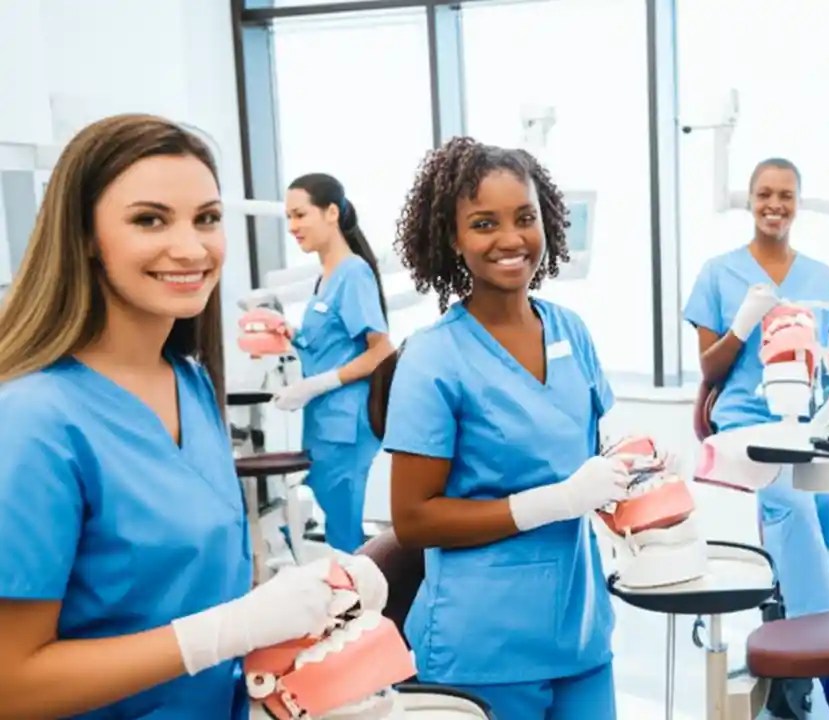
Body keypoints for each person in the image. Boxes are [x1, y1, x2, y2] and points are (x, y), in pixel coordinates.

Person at [0, 114, 363, 718]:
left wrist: (292, 638)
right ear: (84, 235)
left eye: (207, 218)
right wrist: (227, 631)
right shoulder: (33, 421)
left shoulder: (190, 383)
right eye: (149, 220)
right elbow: (10, 683)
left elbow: (197, 594)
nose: (192, 248)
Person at [381, 136, 627, 720]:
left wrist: (635, 468)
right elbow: (413, 520)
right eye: (484, 224)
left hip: (579, 629)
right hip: (483, 643)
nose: (511, 239)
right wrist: (556, 501)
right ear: (453, 237)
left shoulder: (570, 330)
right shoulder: (434, 357)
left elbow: (582, 453)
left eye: (525, 218)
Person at [683, 158, 829, 720]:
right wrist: (744, 323)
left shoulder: (822, 278)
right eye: (764, 194)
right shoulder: (719, 274)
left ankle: (800, 635)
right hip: (748, 423)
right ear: (750, 199)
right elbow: (709, 368)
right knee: (792, 508)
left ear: (798, 202)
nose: (774, 205)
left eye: (786, 195)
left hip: (811, 424)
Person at [275, 173, 395, 552]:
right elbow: (330, 344)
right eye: (288, 218)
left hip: (347, 427)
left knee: (348, 544)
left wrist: (315, 385)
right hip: (324, 425)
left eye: (300, 215)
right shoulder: (324, 278)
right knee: (332, 535)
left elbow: (381, 350)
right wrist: (291, 334)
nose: (292, 227)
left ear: (331, 213)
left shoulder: (352, 273)